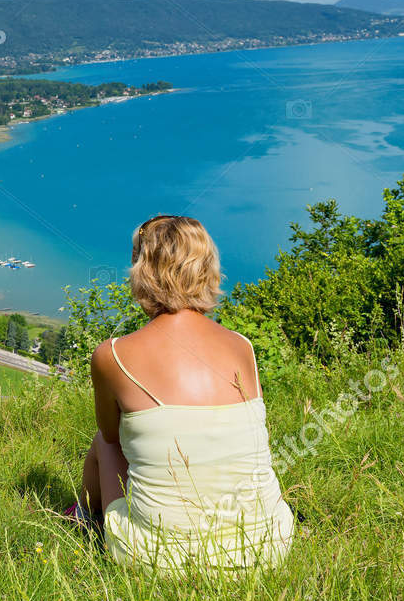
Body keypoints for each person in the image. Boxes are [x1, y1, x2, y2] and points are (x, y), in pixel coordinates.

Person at [68, 215, 294, 571]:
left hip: (162, 560)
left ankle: (84, 518)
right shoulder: (242, 347)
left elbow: (113, 436)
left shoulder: (112, 355)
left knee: (104, 442)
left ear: (142, 271)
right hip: (267, 546)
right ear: (207, 269)